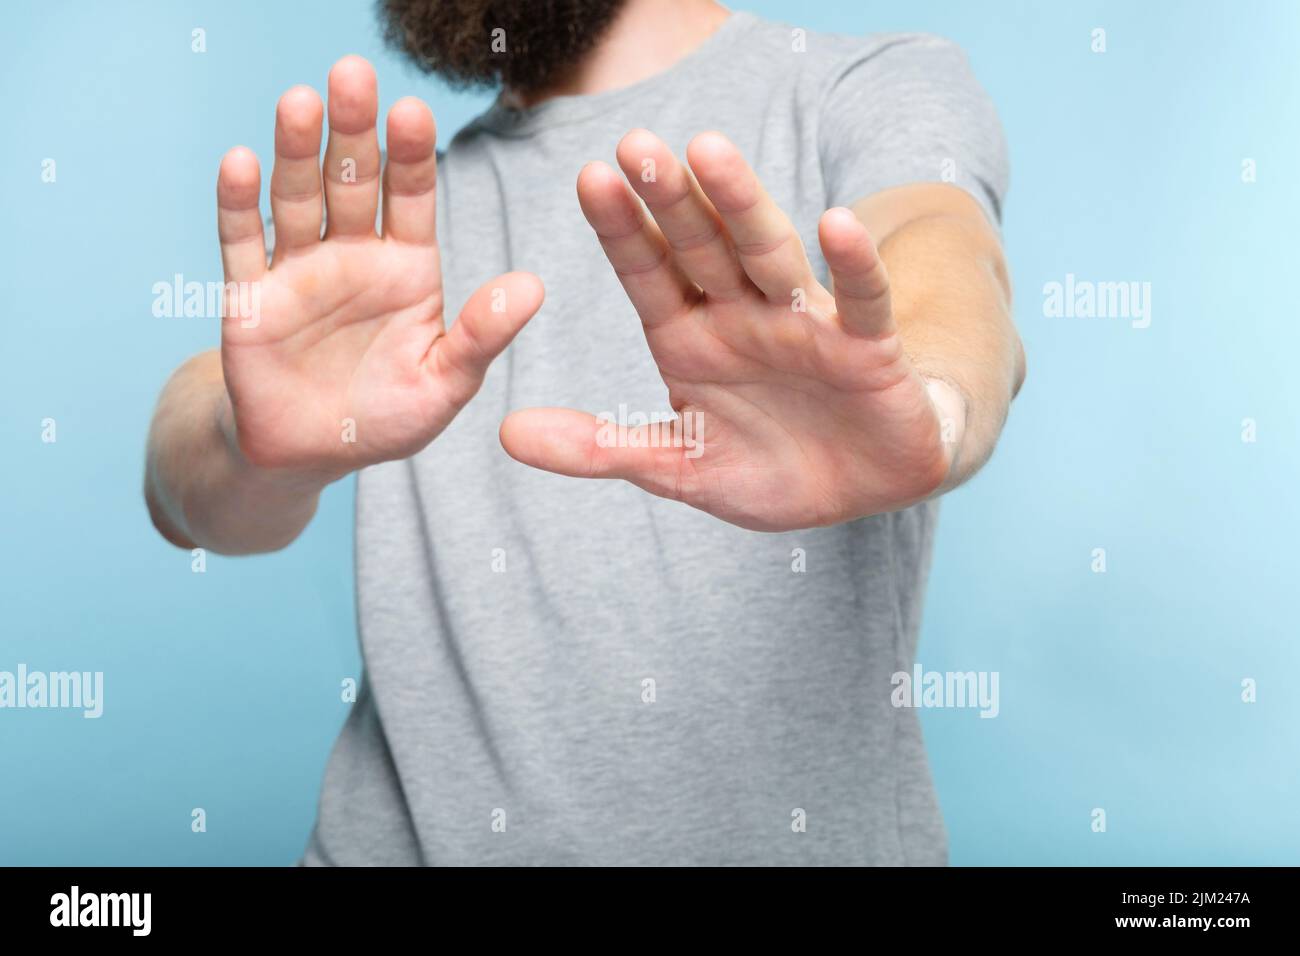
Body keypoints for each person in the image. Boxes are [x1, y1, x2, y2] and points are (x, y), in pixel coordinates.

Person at [144, 0, 1025, 865]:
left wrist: (933, 403)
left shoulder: (856, 85)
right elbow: (186, 484)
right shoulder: (396, 230)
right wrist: (251, 445)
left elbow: (941, 249)